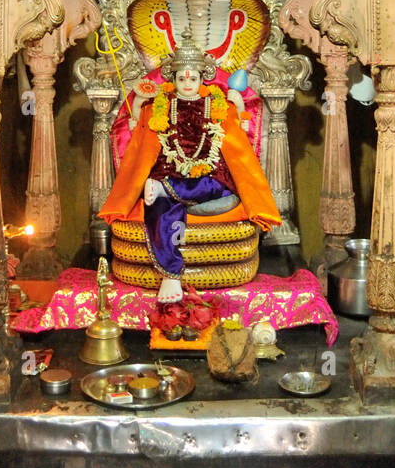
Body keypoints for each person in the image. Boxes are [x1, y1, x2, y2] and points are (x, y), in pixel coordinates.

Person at [99, 31, 280, 302]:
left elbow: (238, 143)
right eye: (181, 78)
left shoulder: (217, 104)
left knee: (220, 190)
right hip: (167, 171)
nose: (187, 83)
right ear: (172, 79)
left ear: (201, 79)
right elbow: (140, 136)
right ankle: (171, 276)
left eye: (193, 78)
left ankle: (166, 191)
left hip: (209, 175)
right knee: (159, 206)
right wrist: (137, 101)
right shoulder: (160, 105)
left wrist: (238, 104)